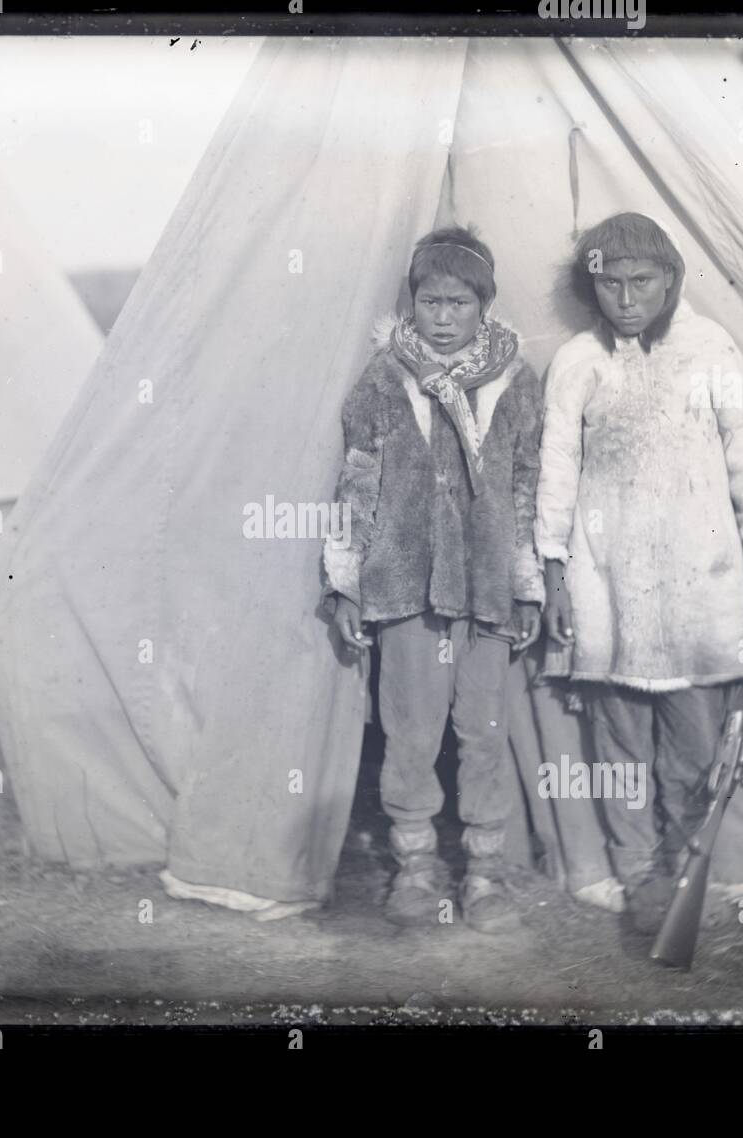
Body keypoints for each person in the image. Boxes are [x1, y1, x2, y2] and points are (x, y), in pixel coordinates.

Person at [536, 212, 743, 934]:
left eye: (641, 281)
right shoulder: (579, 361)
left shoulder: (710, 349)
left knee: (694, 746)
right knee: (617, 745)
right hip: (604, 580)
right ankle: (637, 872)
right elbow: (556, 470)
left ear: (671, 279)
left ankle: (684, 865)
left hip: (698, 580)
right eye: (610, 283)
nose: (625, 297)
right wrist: (553, 573)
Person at [323, 226, 544, 933]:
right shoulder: (386, 379)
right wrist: (347, 581)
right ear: (412, 301)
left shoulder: (515, 383)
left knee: (482, 729)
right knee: (411, 732)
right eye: (429, 300)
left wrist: (527, 581)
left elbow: (526, 486)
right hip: (406, 586)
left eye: (458, 302)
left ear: (485, 304)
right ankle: (416, 865)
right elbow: (357, 482)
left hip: (485, 591)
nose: (442, 316)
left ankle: (485, 872)